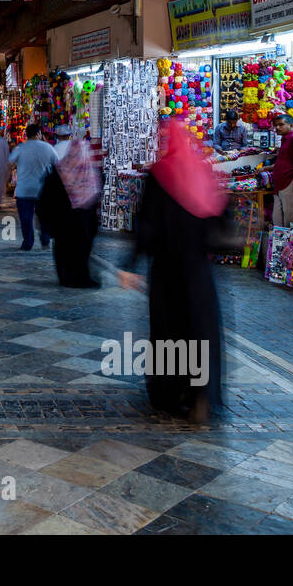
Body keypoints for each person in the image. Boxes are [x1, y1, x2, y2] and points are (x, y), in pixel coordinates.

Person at [117, 121, 226, 423]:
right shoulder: (203, 173)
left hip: (166, 271)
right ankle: (201, 394)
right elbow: (219, 223)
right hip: (199, 272)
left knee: (169, 332)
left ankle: (171, 392)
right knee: (200, 331)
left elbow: (147, 225)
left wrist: (131, 264)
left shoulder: (160, 175)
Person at [38, 134, 102, 288]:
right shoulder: (91, 174)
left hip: (62, 223)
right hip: (82, 224)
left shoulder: (59, 172)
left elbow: (45, 199)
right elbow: (94, 200)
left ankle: (66, 276)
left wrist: (45, 224)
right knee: (81, 251)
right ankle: (80, 277)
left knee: (63, 250)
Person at [10, 123, 58, 251]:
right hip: (43, 189)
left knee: (26, 218)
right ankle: (45, 237)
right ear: (39, 134)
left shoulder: (20, 148)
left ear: (26, 134)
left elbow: (9, 164)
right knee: (45, 216)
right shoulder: (47, 148)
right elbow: (58, 165)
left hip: (24, 189)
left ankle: (28, 242)